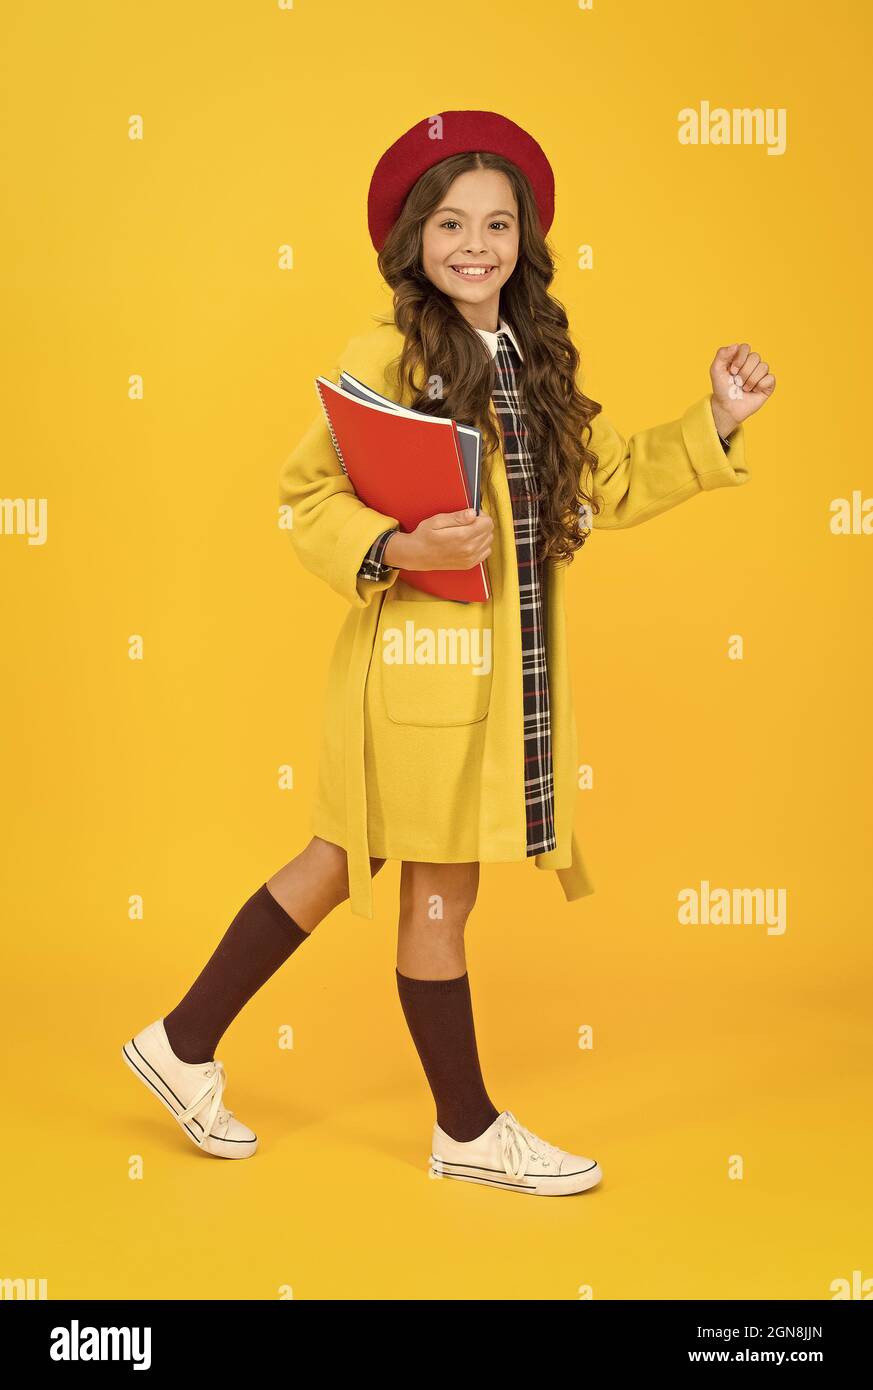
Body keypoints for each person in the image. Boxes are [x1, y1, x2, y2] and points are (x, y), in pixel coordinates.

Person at [122, 109, 774, 1195]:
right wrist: (399, 543)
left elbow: (610, 482)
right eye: (452, 224)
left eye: (499, 223)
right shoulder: (388, 355)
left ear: (526, 238)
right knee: (432, 890)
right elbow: (307, 496)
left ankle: (183, 1044)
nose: (477, 245)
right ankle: (464, 1129)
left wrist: (715, 418)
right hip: (419, 675)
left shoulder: (533, 354)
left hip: (503, 674)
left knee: (342, 861)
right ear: (414, 239)